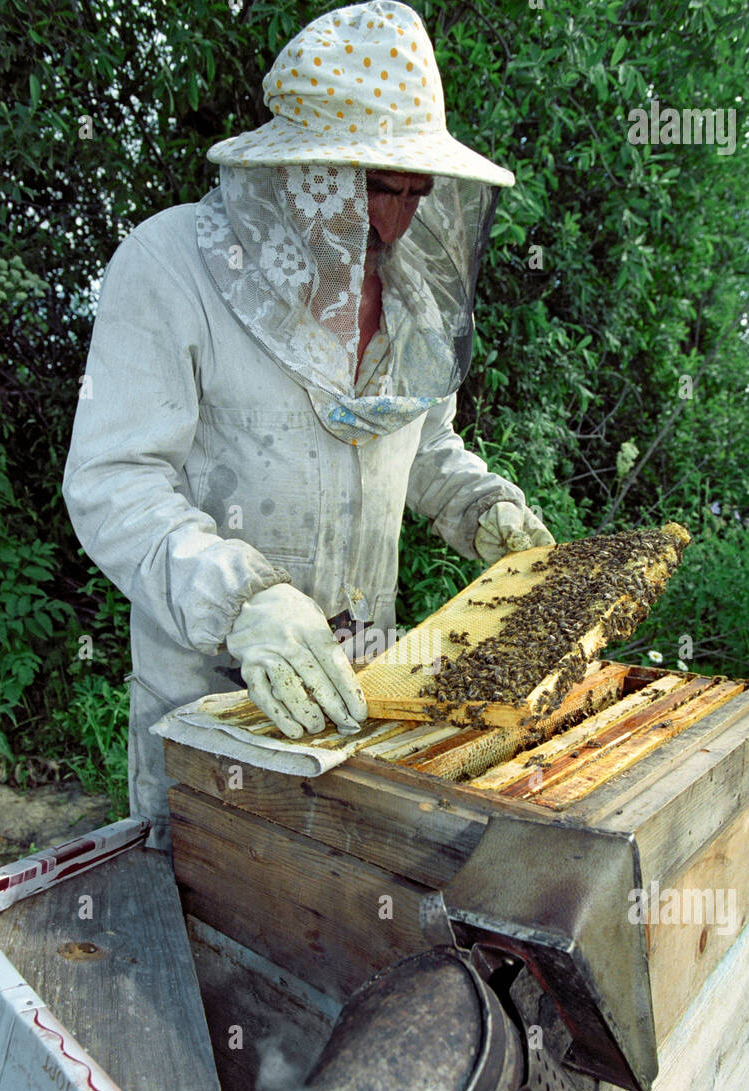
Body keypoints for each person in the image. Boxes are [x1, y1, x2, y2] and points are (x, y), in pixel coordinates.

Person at [63, 0, 554, 853]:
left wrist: (478, 505)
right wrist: (242, 599)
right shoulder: (170, 265)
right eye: (377, 188)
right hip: (209, 704)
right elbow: (114, 480)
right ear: (302, 171)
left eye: (415, 193)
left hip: (364, 696)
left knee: (331, 901)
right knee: (207, 908)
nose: (395, 223)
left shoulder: (412, 297)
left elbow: (422, 442)